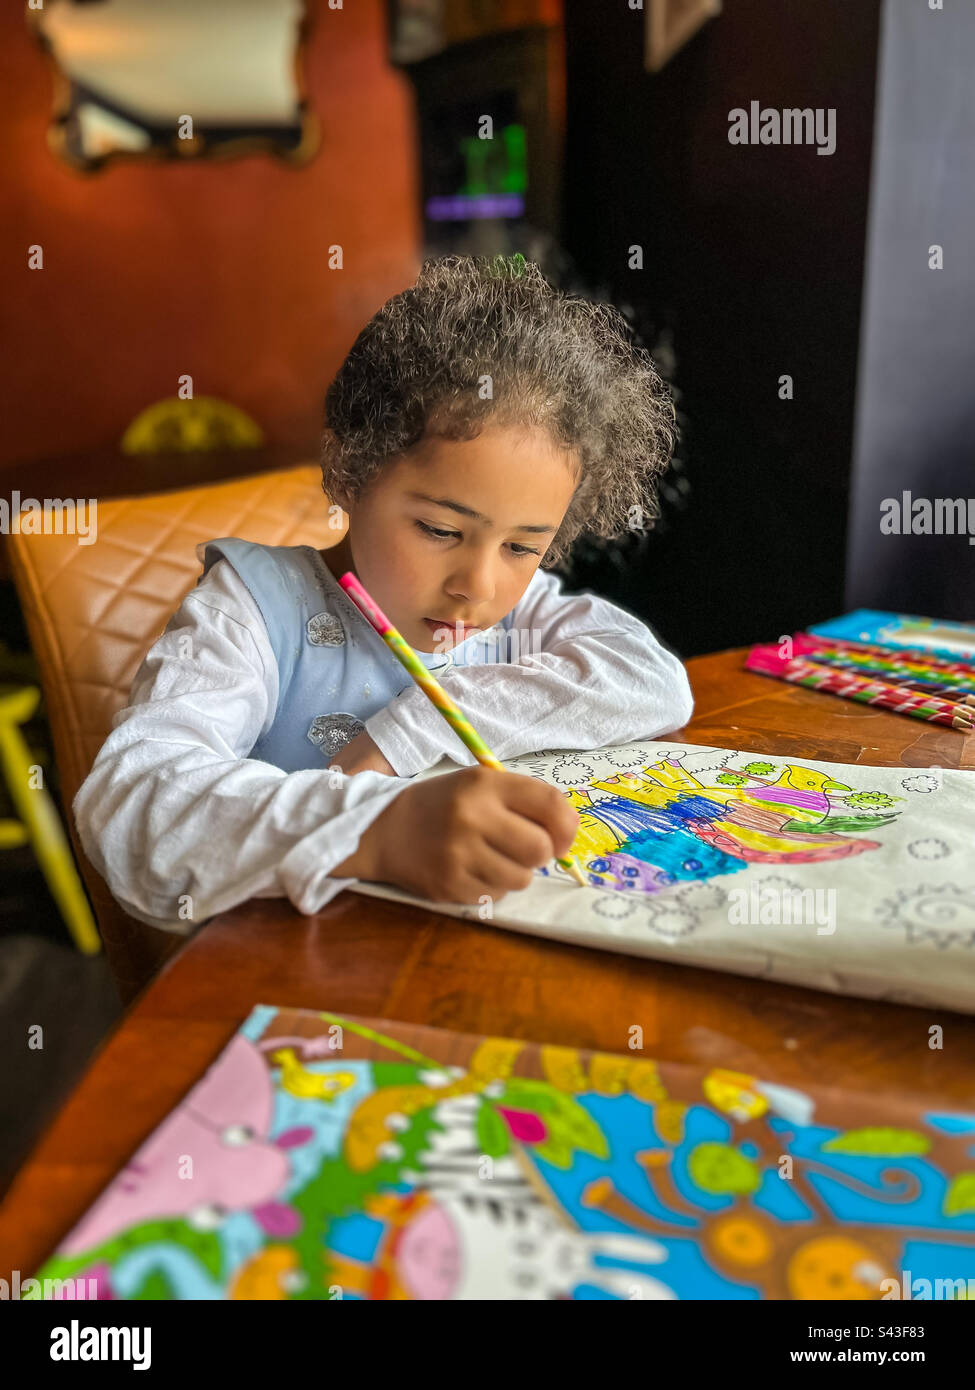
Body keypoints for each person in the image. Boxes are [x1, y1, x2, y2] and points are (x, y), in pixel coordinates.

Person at [74, 255, 694, 932]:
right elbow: (131, 807)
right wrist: (375, 830)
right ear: (349, 470)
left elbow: (653, 680)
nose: (477, 587)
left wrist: (420, 726)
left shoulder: (518, 612)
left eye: (523, 546)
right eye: (438, 528)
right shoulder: (253, 609)